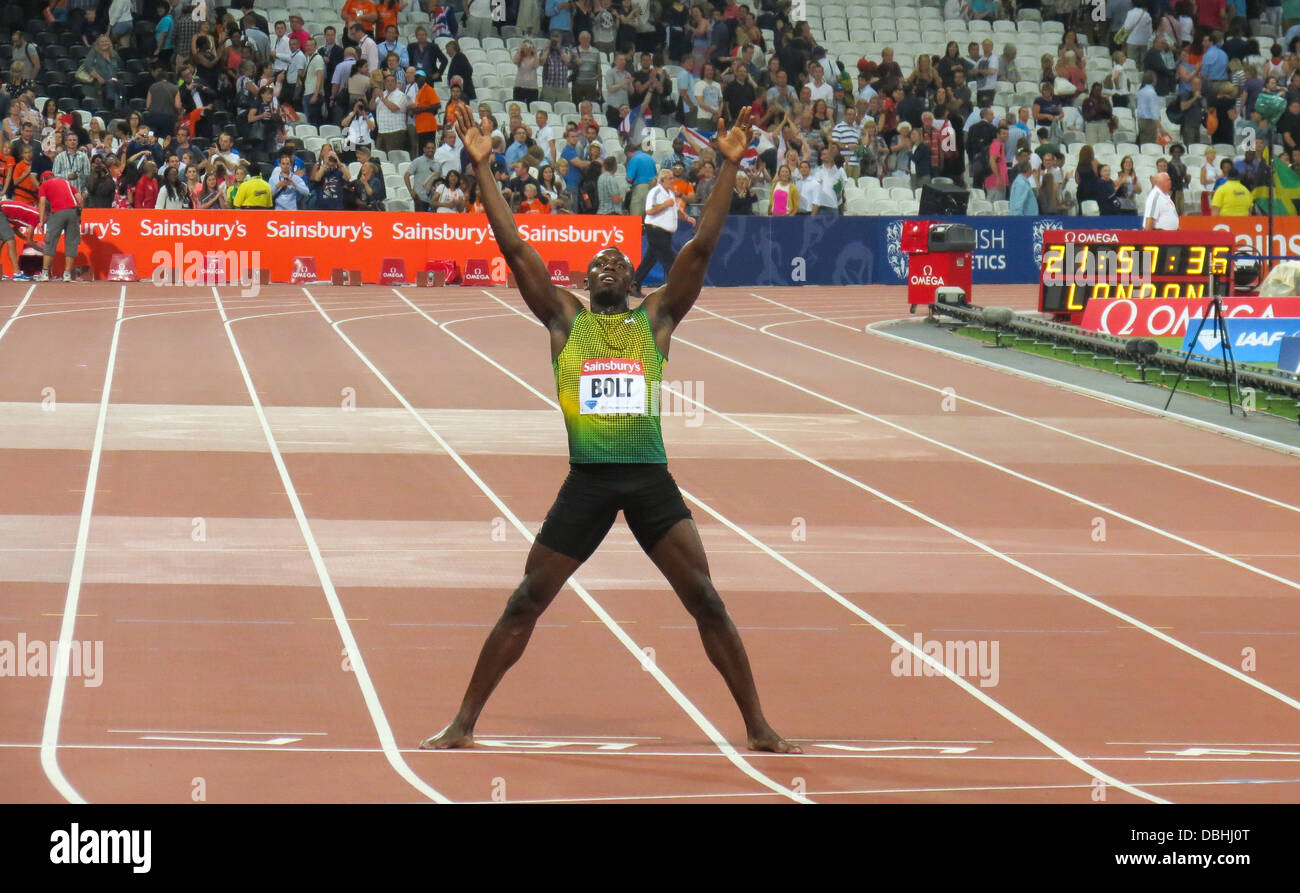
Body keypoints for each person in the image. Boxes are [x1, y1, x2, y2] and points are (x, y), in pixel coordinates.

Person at [420, 106, 797, 755]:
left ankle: (758, 725)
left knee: (706, 599)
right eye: (596, 263)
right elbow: (514, 248)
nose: (606, 265)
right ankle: (462, 723)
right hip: (587, 483)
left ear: (632, 282)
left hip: (649, 479)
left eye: (617, 262)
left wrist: (730, 166)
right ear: (584, 281)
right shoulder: (564, 320)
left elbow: (700, 247)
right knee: (525, 600)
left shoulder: (657, 320)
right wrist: (482, 168)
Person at [634, 167, 695, 292]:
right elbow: (649, 210)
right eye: (670, 178)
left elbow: (674, 210)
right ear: (662, 180)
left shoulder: (670, 193)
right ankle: (676, 289)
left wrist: (686, 217)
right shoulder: (655, 192)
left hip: (664, 232)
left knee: (649, 260)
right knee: (669, 260)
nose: (673, 180)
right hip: (655, 230)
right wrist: (665, 204)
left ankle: (634, 284)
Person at [34, 173, 82, 281]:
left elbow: (42, 203)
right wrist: (79, 215)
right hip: (73, 212)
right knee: (71, 243)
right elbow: (79, 198)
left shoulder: (44, 185)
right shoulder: (65, 182)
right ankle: (67, 274)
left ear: (43, 179)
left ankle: (45, 273)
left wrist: (41, 221)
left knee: (50, 242)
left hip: (57, 213)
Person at [0, 198, 37, 281]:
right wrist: (42, 249)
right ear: (46, 215)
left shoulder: (28, 215)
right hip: (1, 210)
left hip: (3, 212)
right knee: (11, 240)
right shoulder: (35, 217)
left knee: (2, 240)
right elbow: (30, 241)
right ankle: (17, 273)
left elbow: (15, 229)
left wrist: (25, 238)